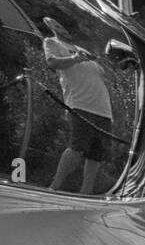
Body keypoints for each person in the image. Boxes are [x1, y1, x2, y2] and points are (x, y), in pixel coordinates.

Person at [42, 18, 112, 194]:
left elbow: (109, 77)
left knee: (96, 153)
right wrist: (75, 58)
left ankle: (86, 192)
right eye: (56, 25)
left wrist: (104, 61)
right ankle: (54, 187)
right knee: (76, 147)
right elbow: (52, 63)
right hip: (80, 105)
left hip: (103, 109)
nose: (61, 28)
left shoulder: (84, 50)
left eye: (62, 24)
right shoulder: (51, 42)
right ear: (52, 27)